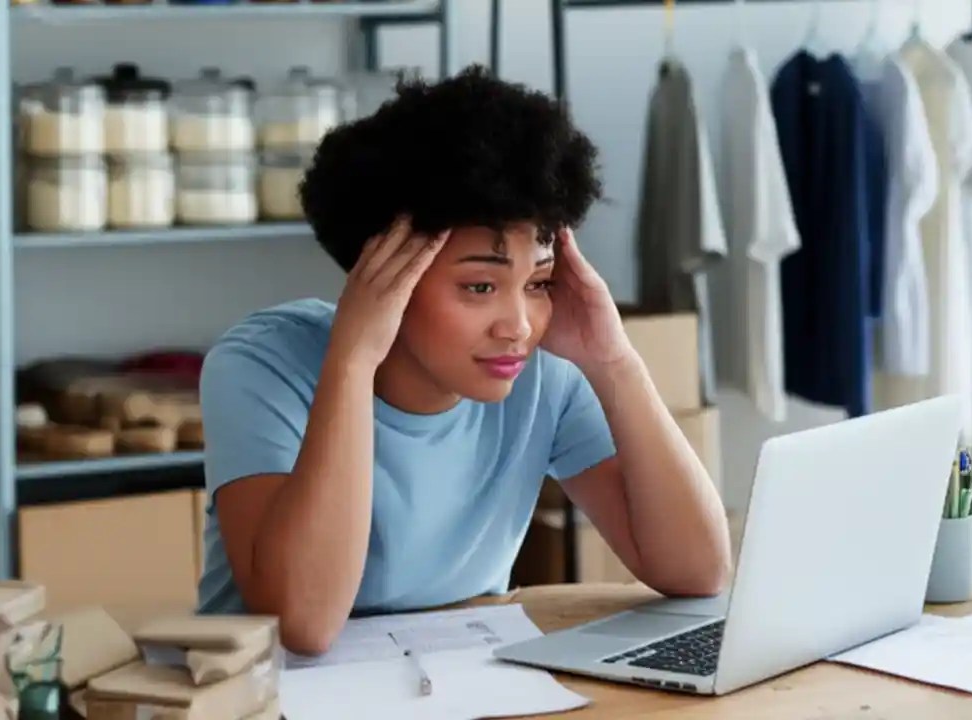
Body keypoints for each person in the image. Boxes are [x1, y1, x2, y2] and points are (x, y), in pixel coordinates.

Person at [196, 66, 731, 656]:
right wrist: (352, 363)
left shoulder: (544, 377)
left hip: (458, 684)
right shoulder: (262, 365)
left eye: (538, 283)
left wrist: (615, 360)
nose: (517, 326)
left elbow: (698, 571)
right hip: (265, 694)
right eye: (480, 287)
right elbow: (304, 624)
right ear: (383, 273)